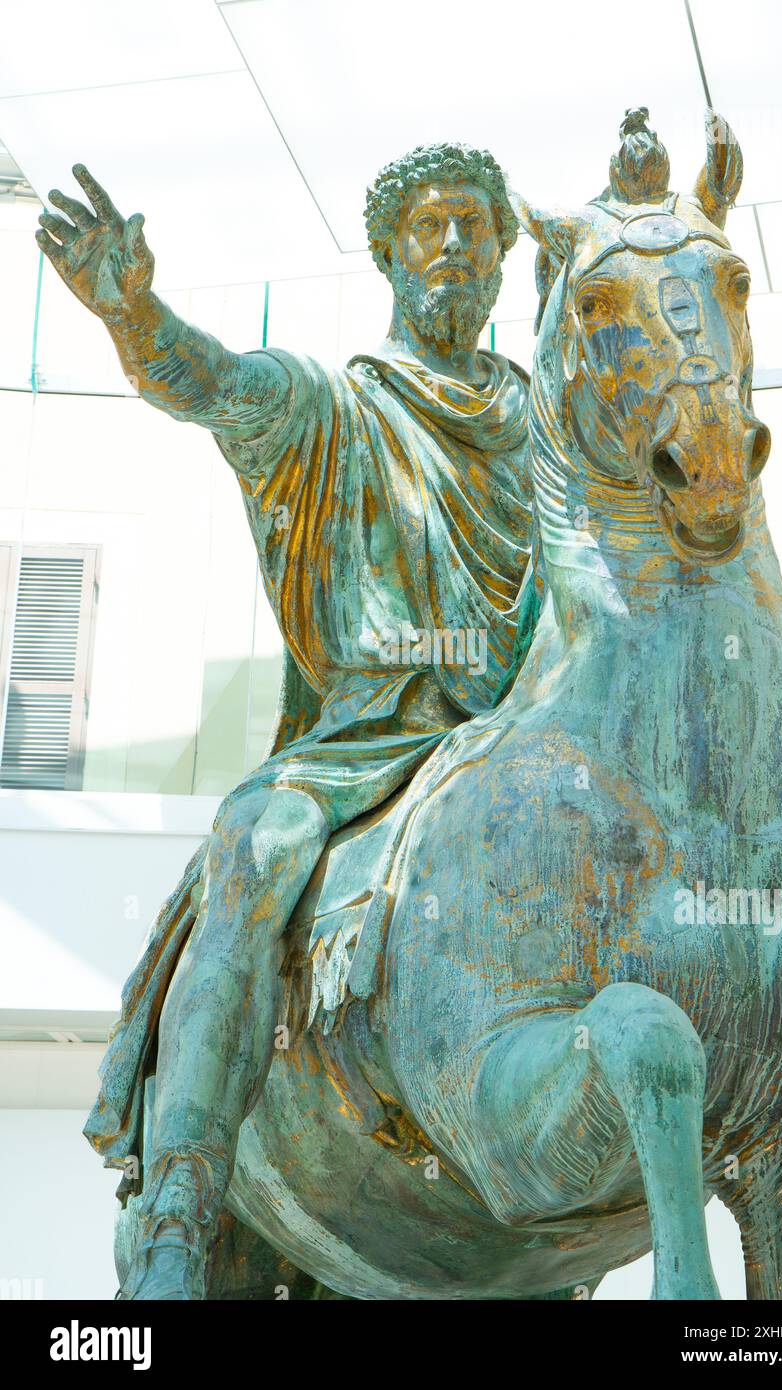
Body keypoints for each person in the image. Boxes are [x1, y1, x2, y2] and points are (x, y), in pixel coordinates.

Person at [37, 143, 539, 1298]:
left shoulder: (550, 433)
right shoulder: (330, 407)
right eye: (431, 225)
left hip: (525, 745)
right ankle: (181, 1201)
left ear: (507, 259)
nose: (456, 242)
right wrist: (133, 312)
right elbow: (205, 380)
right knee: (255, 851)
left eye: (476, 224)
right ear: (388, 255)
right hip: (373, 741)